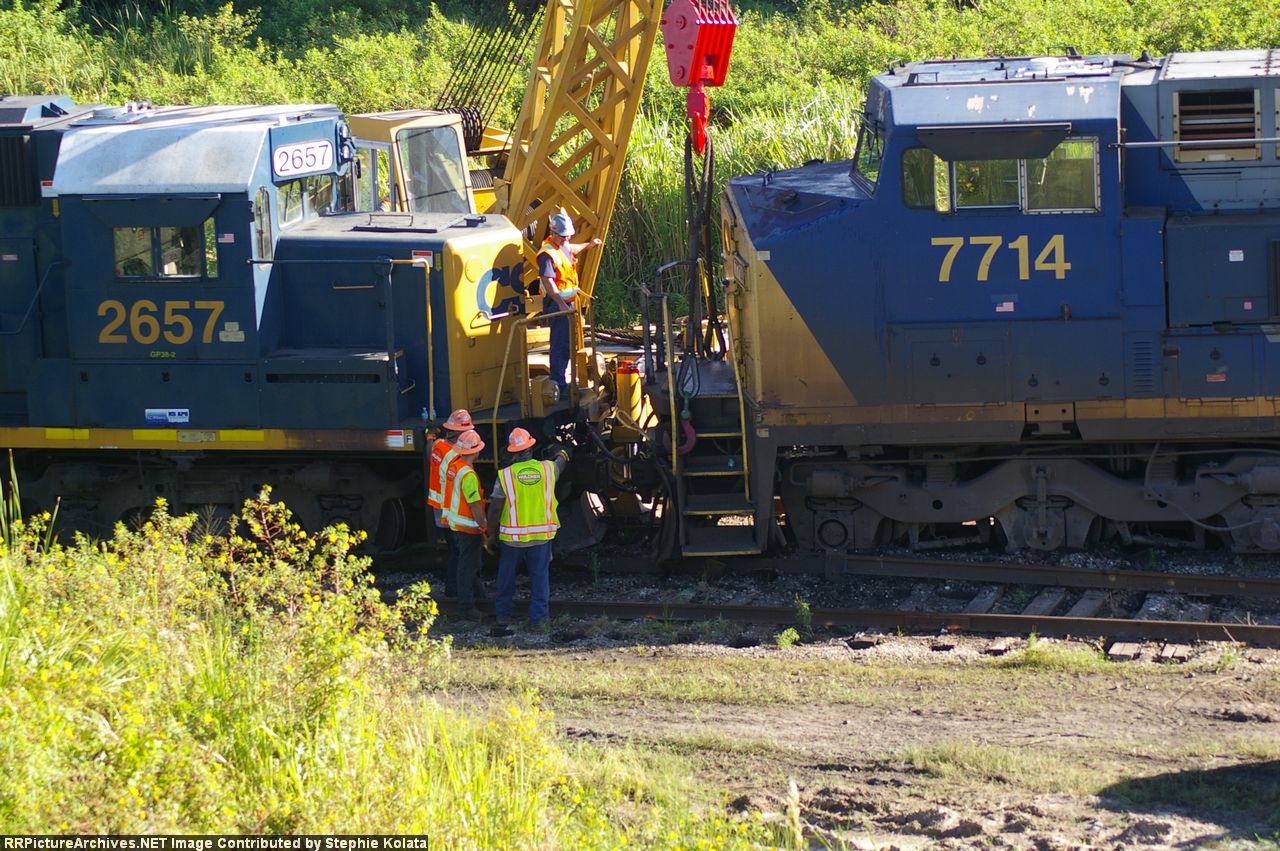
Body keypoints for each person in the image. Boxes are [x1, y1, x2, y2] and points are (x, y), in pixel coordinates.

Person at [486, 427, 570, 628]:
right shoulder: (547, 469)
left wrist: (489, 533)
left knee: (506, 577)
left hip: (512, 539)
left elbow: (496, 508)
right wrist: (563, 452)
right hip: (541, 537)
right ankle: (539, 620)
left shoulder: (505, 476)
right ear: (531, 449)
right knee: (540, 578)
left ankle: (503, 615)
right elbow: (561, 463)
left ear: (512, 452)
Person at [537, 209, 602, 399]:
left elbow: (573, 248)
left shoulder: (563, 246)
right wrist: (561, 305)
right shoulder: (547, 254)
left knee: (567, 345)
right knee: (560, 345)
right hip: (557, 306)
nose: (566, 239)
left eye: (568, 237)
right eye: (563, 236)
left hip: (568, 304)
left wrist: (589, 245)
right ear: (554, 234)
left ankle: (563, 380)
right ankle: (558, 384)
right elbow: (548, 281)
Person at [440, 429, 489, 620]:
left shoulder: (455, 467)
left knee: (468, 563)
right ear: (475, 452)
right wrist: (484, 526)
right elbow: (475, 505)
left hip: (456, 524)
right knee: (468, 566)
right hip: (468, 527)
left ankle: (477, 595)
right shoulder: (468, 475)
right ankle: (467, 607)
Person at [426, 408, 473, 597]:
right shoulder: (456, 456)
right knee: (459, 552)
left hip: (439, 506)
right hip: (450, 508)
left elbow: (430, 452)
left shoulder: (438, 445)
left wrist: (429, 436)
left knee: (454, 550)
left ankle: (454, 588)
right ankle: (455, 589)